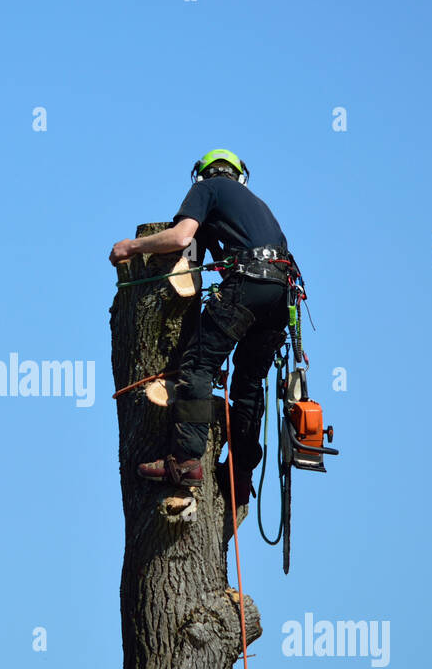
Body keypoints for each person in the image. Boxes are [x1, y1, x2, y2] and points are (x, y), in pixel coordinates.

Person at [107, 149, 294, 508]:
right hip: (281, 293)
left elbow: (180, 238)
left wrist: (132, 246)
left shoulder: (209, 189)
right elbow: (192, 258)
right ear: (241, 176)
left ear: (203, 174)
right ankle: (239, 473)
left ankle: (186, 462)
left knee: (196, 366)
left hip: (248, 283)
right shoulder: (256, 206)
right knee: (249, 386)